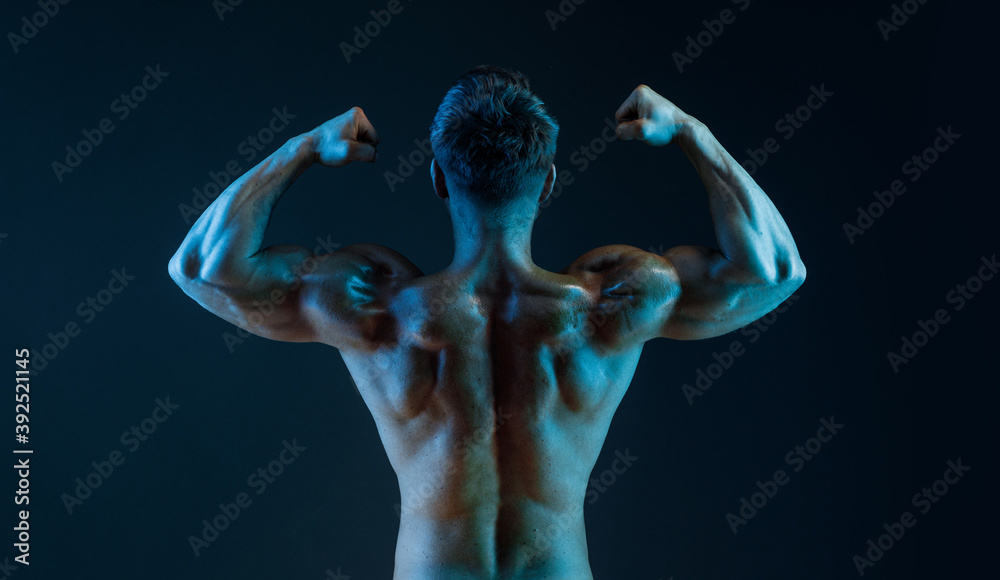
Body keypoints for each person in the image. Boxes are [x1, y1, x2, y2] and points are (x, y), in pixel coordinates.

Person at [169, 65, 806, 579]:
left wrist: (303, 148)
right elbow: (774, 269)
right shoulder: (609, 305)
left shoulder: (380, 308)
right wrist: (690, 131)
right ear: (550, 179)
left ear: (439, 180)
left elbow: (201, 267)